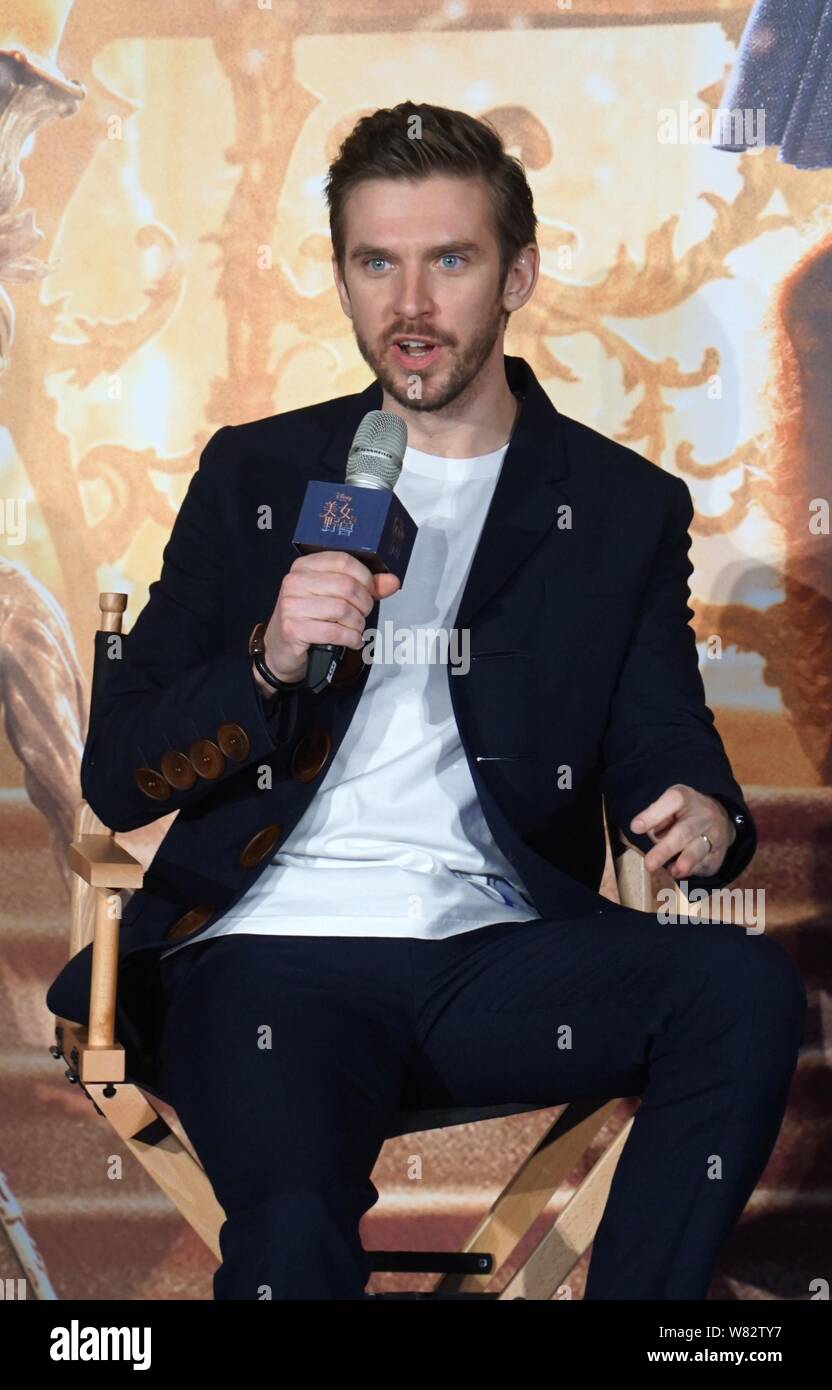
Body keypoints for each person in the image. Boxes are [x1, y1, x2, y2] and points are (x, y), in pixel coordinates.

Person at [46, 102, 806, 1301]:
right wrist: (267, 664)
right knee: (291, 1238)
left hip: (496, 955)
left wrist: (700, 811)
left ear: (518, 275)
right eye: (375, 263)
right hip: (267, 961)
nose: (410, 303)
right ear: (342, 281)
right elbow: (119, 767)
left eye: (448, 259)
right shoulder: (257, 470)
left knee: (742, 989)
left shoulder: (616, 507)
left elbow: (662, 734)